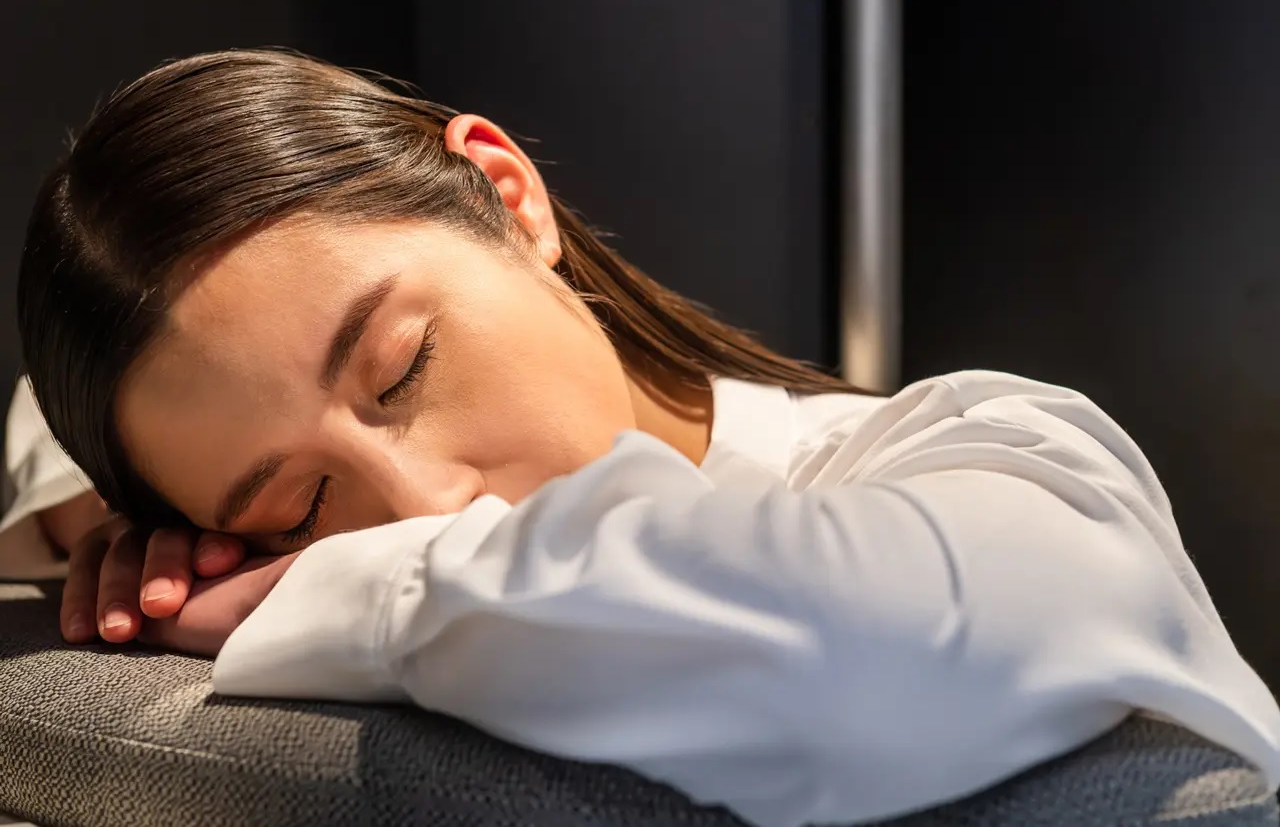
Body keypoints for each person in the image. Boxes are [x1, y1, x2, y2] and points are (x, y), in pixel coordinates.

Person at [4, 48, 1278, 827]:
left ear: (508, 196)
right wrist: (111, 528)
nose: (425, 503)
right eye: (294, 505)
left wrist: (337, 578)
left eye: (402, 369)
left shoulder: (1001, 448)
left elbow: (859, 658)